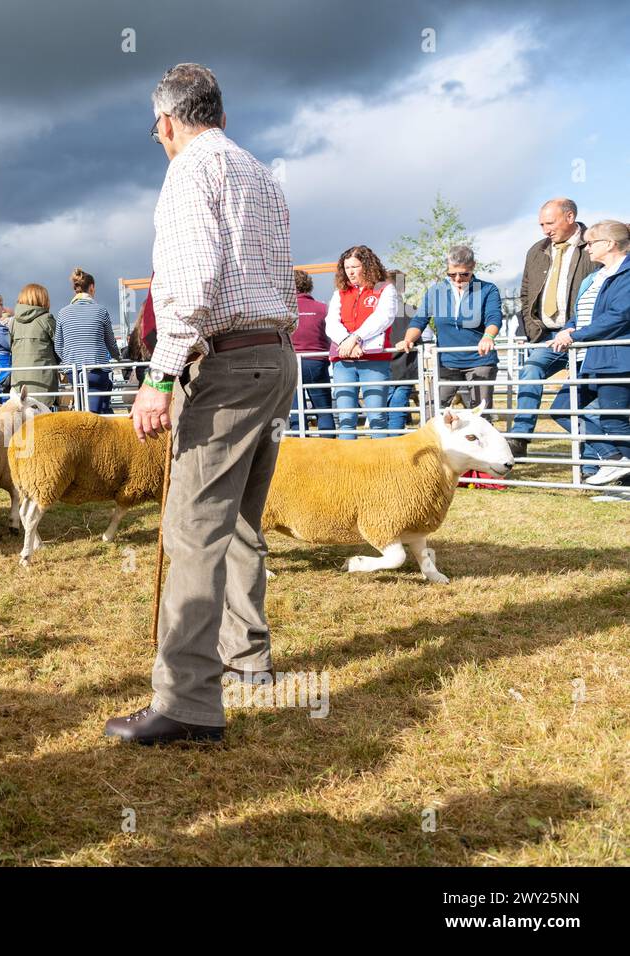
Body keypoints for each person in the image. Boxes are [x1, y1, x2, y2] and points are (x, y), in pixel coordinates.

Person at [104, 62, 297, 746]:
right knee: (240, 522)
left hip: (226, 364)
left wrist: (158, 377)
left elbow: (191, 280)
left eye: (155, 130)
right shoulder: (258, 172)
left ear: (166, 122)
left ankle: (186, 701)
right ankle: (246, 659)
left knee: (191, 531)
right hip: (275, 357)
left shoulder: (190, 171)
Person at [511, 198, 600, 457]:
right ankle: (520, 437)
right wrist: (531, 328)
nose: (545, 230)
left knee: (582, 396)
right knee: (530, 370)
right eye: (541, 224)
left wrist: (584, 328)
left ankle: (594, 458)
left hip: (583, 334)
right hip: (548, 335)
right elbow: (526, 293)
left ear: (570, 217)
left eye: (550, 223)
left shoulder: (592, 246)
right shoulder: (537, 250)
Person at [549, 220, 630, 486]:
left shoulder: (626, 275)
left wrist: (575, 335)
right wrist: (569, 328)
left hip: (616, 358)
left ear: (609, 244)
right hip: (590, 358)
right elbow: (581, 314)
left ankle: (624, 481)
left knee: (615, 421)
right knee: (562, 409)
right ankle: (612, 458)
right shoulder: (596, 277)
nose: (586, 249)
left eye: (591, 243)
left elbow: (618, 317)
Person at [397, 245, 502, 413]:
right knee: (432, 411)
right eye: (452, 274)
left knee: (480, 414)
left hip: (480, 361)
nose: (458, 279)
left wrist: (488, 336)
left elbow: (493, 317)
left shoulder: (487, 289)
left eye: (464, 274)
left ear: (473, 266)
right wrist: (408, 339)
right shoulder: (436, 291)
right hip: (446, 361)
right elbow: (419, 320)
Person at [324, 245, 397, 439]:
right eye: (347, 267)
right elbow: (331, 322)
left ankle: (381, 466)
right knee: (346, 419)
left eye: (355, 266)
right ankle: (348, 467)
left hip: (374, 359)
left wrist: (356, 339)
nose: (350, 271)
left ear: (367, 265)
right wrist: (347, 342)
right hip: (343, 359)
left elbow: (383, 318)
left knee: (377, 418)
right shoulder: (340, 292)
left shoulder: (385, 288)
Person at [56, 268, 122, 413]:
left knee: (85, 405)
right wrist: (118, 357)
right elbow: (110, 342)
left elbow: (58, 345)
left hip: (73, 371)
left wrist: (70, 359)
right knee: (96, 412)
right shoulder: (101, 310)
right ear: (91, 287)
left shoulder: (62, 312)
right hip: (96, 370)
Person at [289, 269, 334, 436]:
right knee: (323, 409)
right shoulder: (323, 308)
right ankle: (329, 447)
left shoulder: (285, 309)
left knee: (295, 410)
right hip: (317, 362)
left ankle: (300, 447)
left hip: (291, 362)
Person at [8, 283, 60, 406]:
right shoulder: (47, 319)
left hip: (19, 381)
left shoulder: (13, 322)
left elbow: (9, 347)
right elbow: (60, 347)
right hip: (43, 381)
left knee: (23, 421)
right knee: (42, 420)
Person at [384, 270, 419, 433]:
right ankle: (394, 440)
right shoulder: (413, 311)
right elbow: (424, 337)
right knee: (398, 407)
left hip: (384, 366)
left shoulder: (379, 311)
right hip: (406, 366)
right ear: (402, 288)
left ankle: (385, 442)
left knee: (383, 408)